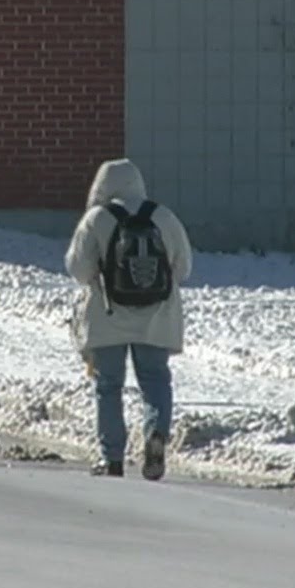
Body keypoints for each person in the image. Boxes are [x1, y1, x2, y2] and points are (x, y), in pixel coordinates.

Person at [65, 158, 193, 480]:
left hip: (107, 314)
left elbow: (79, 270)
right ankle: (155, 435)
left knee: (108, 387)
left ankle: (112, 459)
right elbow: (184, 268)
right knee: (155, 380)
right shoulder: (163, 216)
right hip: (157, 317)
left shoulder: (96, 218)